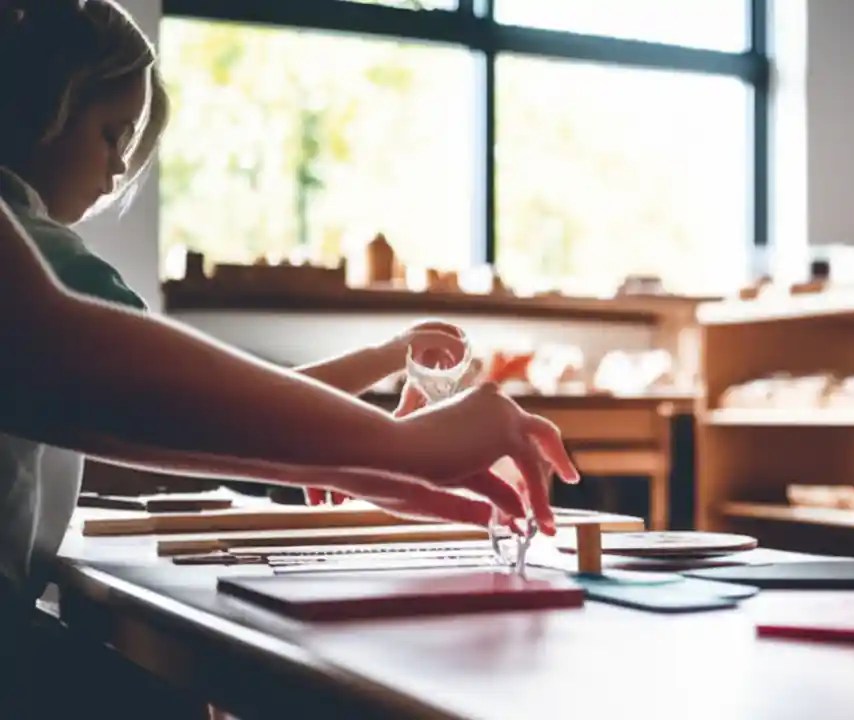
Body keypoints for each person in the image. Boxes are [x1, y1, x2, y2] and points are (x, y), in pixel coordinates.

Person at [0, 0, 576, 606]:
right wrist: (396, 447)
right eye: (110, 134)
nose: (119, 166)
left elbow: (143, 437)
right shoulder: (55, 264)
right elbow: (175, 406)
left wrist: (363, 458)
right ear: (43, 105)